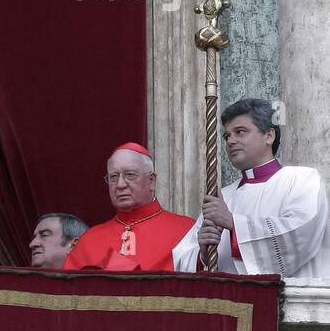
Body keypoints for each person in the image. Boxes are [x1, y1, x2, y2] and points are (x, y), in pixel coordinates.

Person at [173, 98, 330, 277]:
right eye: (227, 136)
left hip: (285, 301)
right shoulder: (223, 196)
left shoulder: (302, 180)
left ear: (269, 136)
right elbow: (182, 258)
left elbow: (300, 233)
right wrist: (202, 255)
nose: (231, 141)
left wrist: (233, 224)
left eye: (240, 132)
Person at [63, 142, 193, 271]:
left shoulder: (187, 231)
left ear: (151, 181)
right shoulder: (89, 240)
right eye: (113, 177)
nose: (120, 185)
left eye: (130, 175)